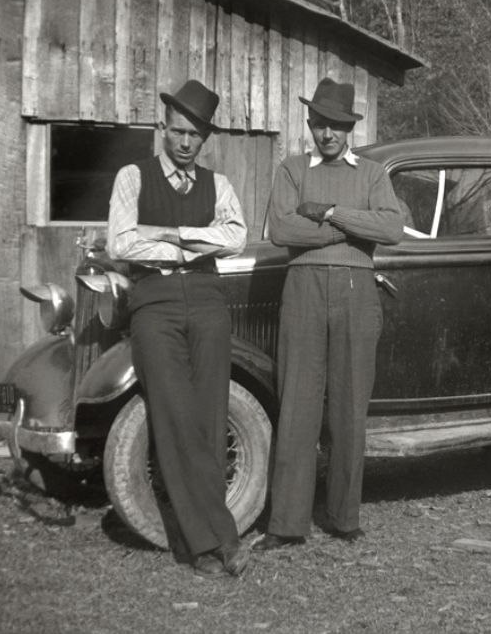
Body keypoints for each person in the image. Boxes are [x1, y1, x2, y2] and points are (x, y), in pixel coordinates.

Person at [106, 79, 250, 578]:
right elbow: (123, 244)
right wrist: (190, 247)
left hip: (209, 304)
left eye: (195, 135)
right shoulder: (133, 177)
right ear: (161, 128)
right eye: (177, 132)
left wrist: (170, 234)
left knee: (210, 419)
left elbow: (235, 238)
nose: (185, 143)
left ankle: (211, 541)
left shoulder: (220, 185)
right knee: (174, 418)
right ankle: (214, 543)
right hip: (155, 305)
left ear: (205, 137)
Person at [255, 77, 404, 550]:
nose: (328, 135)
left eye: (337, 126)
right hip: (302, 290)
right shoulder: (293, 169)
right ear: (309, 124)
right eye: (320, 124)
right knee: (297, 404)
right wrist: (352, 230)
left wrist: (331, 212)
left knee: (348, 405)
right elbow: (282, 229)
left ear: (350, 128)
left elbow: (393, 226)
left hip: (357, 292)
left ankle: (344, 516)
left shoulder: (373, 173)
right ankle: (287, 523)